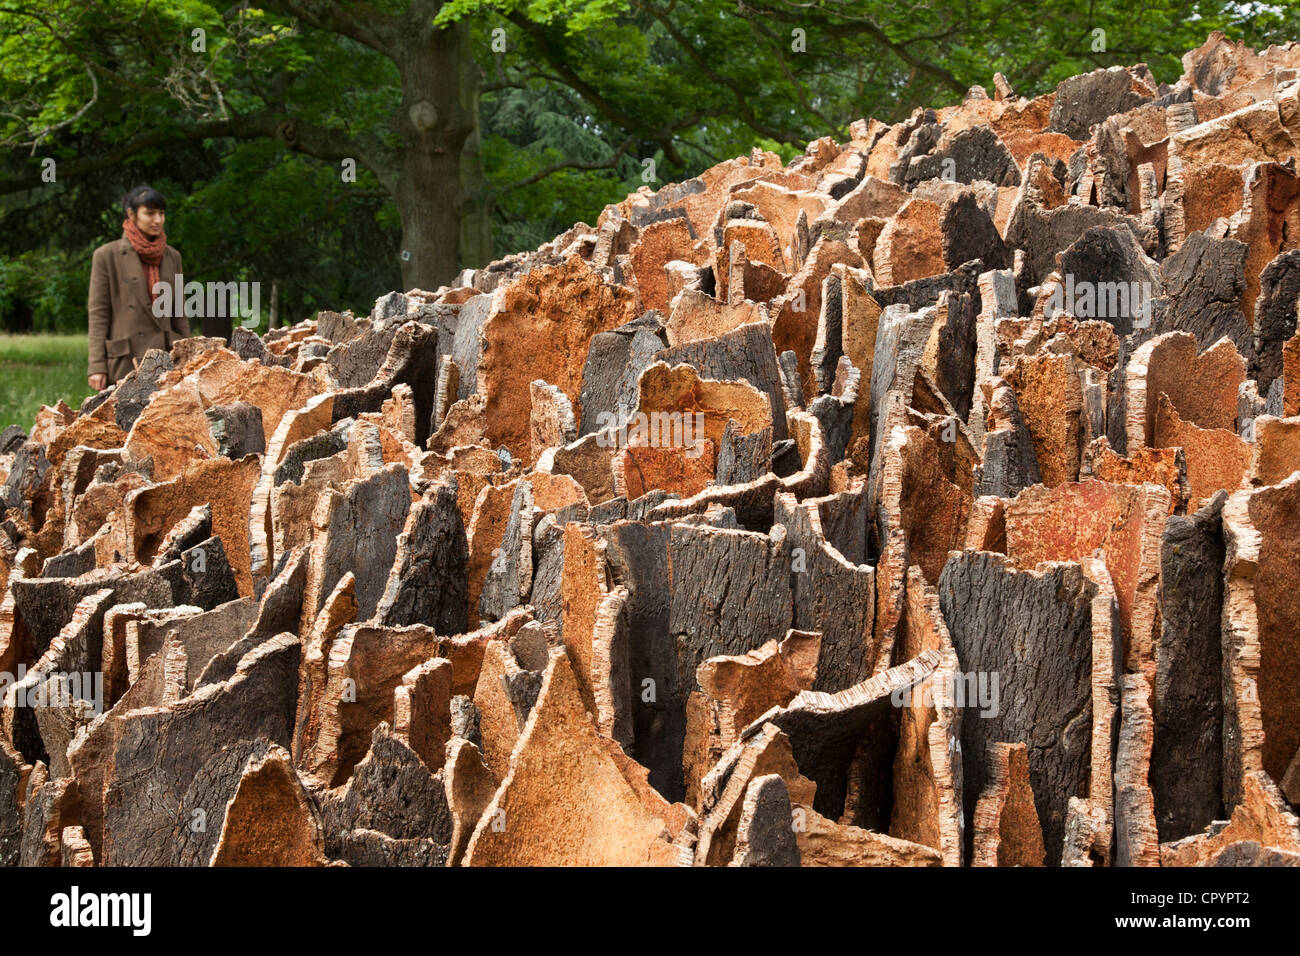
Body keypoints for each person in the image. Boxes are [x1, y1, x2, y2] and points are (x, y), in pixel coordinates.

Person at [86, 186, 189, 389]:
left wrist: (189, 355)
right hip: (125, 360)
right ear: (131, 214)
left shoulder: (172, 256)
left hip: (165, 360)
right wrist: (97, 365)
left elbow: (179, 313)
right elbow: (98, 314)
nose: (158, 220)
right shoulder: (106, 255)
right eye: (150, 213)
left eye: (161, 213)